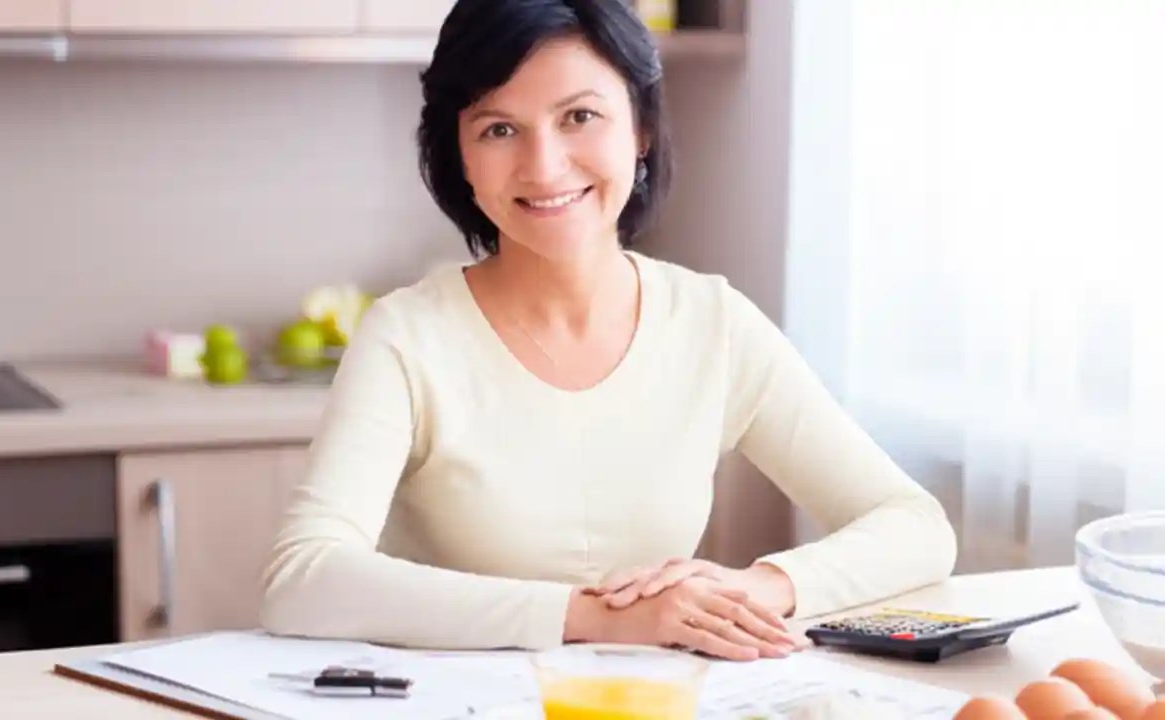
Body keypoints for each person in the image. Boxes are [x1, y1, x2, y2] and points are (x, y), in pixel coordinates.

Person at [260, 0, 957, 661]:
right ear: (461, 158)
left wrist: (749, 589)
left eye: (579, 116)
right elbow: (302, 579)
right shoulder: (407, 337)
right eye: (499, 129)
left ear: (641, 129)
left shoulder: (711, 324)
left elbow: (913, 526)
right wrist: (592, 616)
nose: (544, 166)